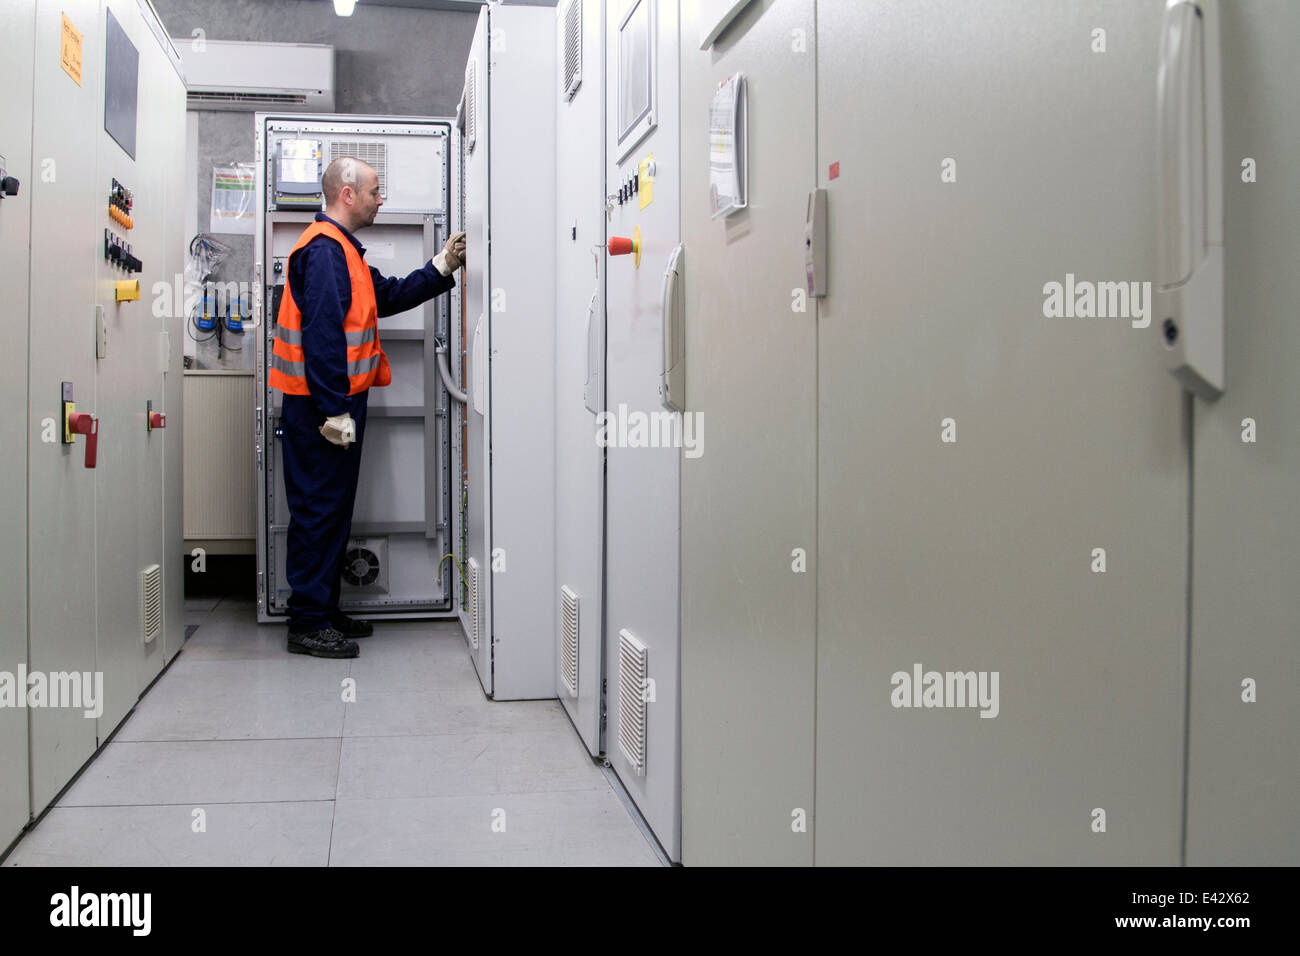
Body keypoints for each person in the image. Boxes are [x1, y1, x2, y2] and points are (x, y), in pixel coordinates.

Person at [269, 156, 465, 658]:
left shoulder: (346, 255)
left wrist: (441, 266)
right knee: (316, 512)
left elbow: (388, 295)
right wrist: (334, 411)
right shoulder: (324, 253)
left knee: (332, 512)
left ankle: (323, 608)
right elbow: (323, 339)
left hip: (336, 405)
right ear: (348, 194)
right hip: (319, 410)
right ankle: (307, 621)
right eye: (377, 191)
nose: (382, 200)